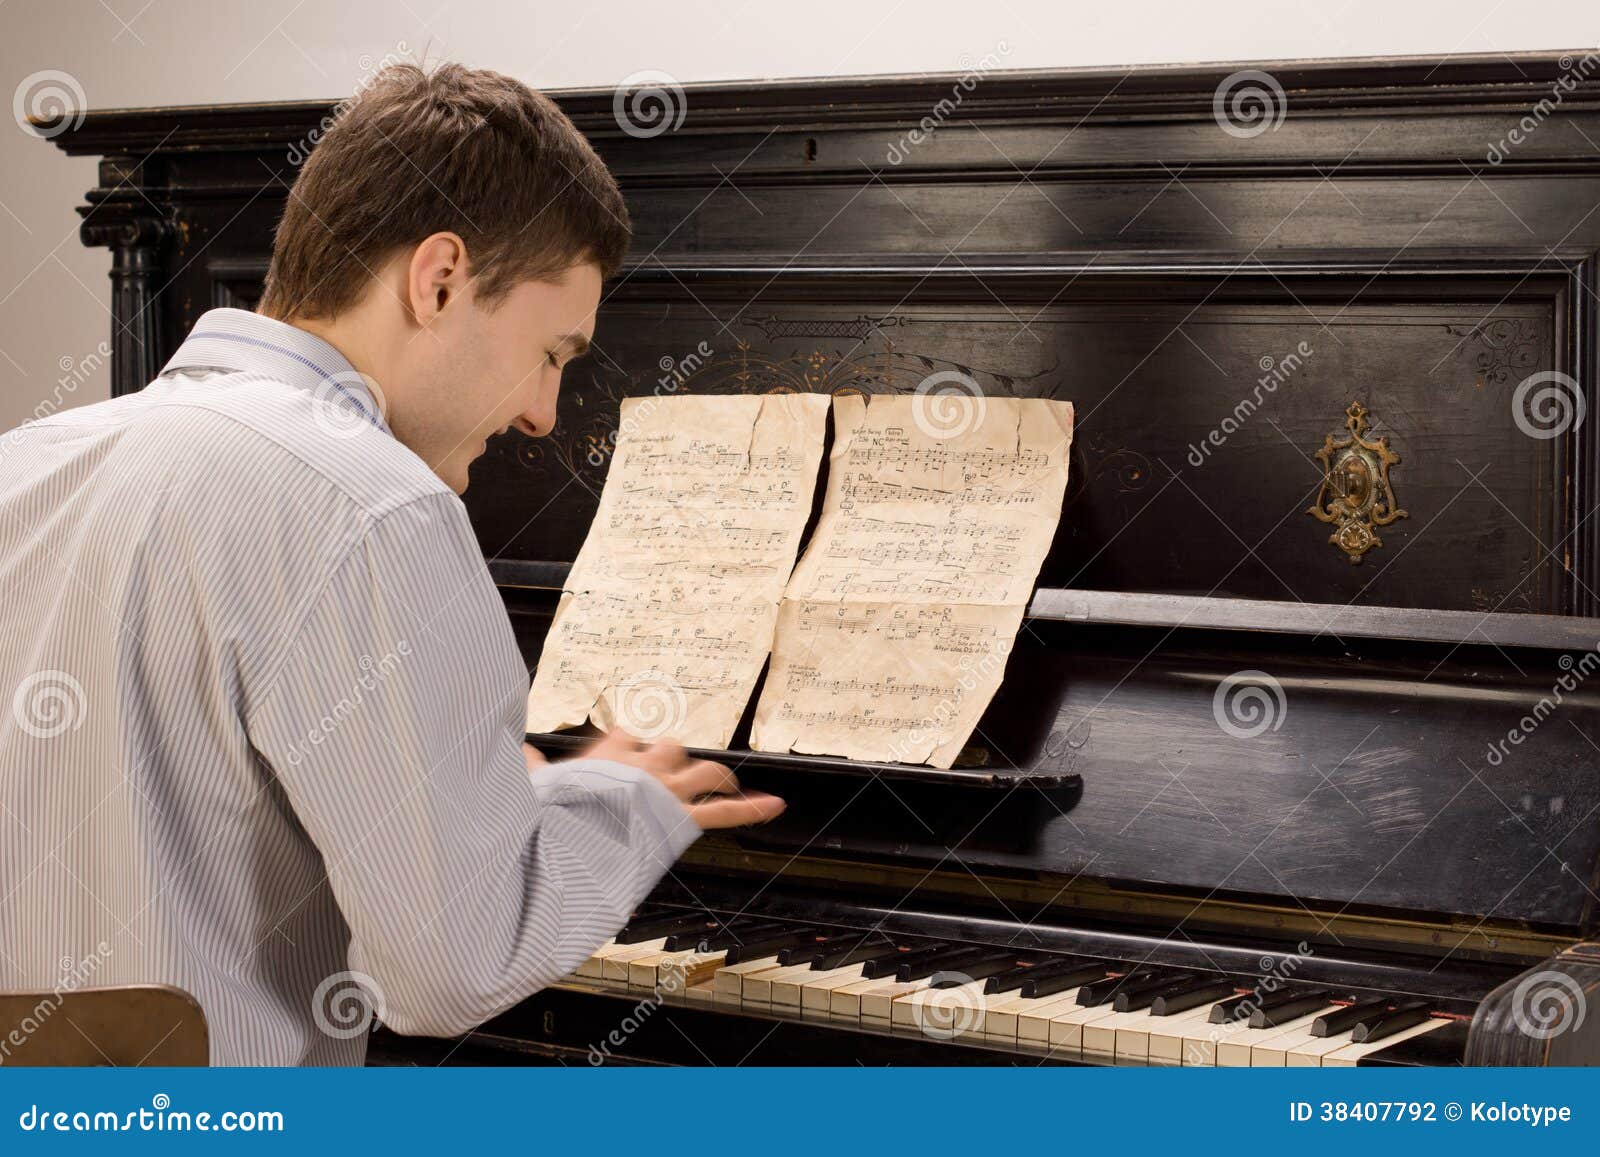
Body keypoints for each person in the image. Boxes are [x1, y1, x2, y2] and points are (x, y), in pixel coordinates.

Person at [0, 61, 783, 1065]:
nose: (544, 413)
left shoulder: (26, 461)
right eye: (552, 353)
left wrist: (468, 800)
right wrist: (619, 804)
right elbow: (452, 969)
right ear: (439, 279)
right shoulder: (375, 504)